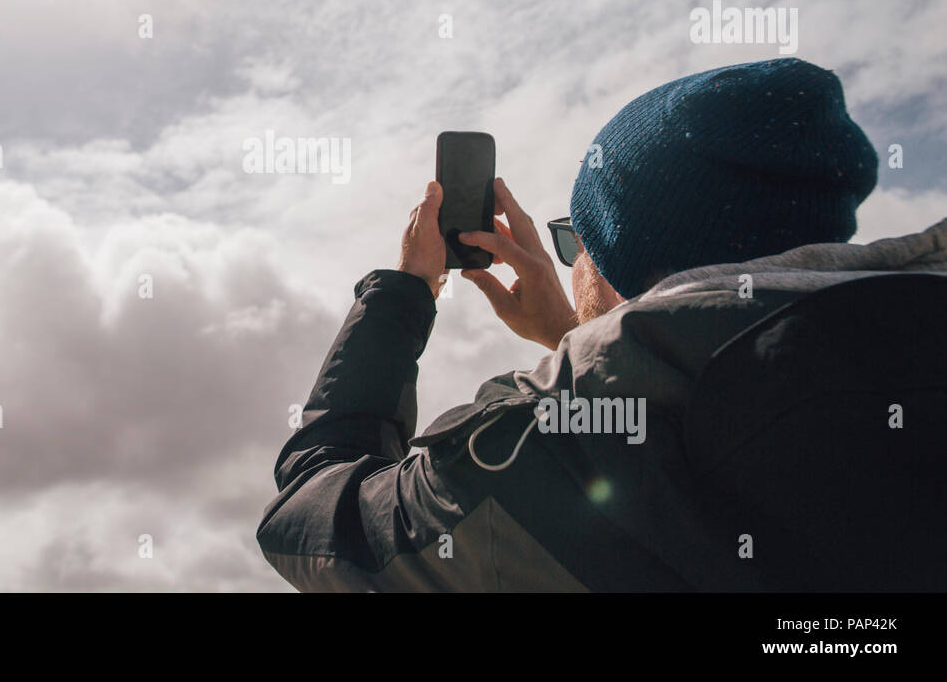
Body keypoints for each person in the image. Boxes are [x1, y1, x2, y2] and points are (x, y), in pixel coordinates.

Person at [257, 57, 947, 591]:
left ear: (622, 258)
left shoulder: (540, 454)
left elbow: (313, 523)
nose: (570, 261)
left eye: (576, 238)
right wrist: (576, 338)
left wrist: (405, 291)